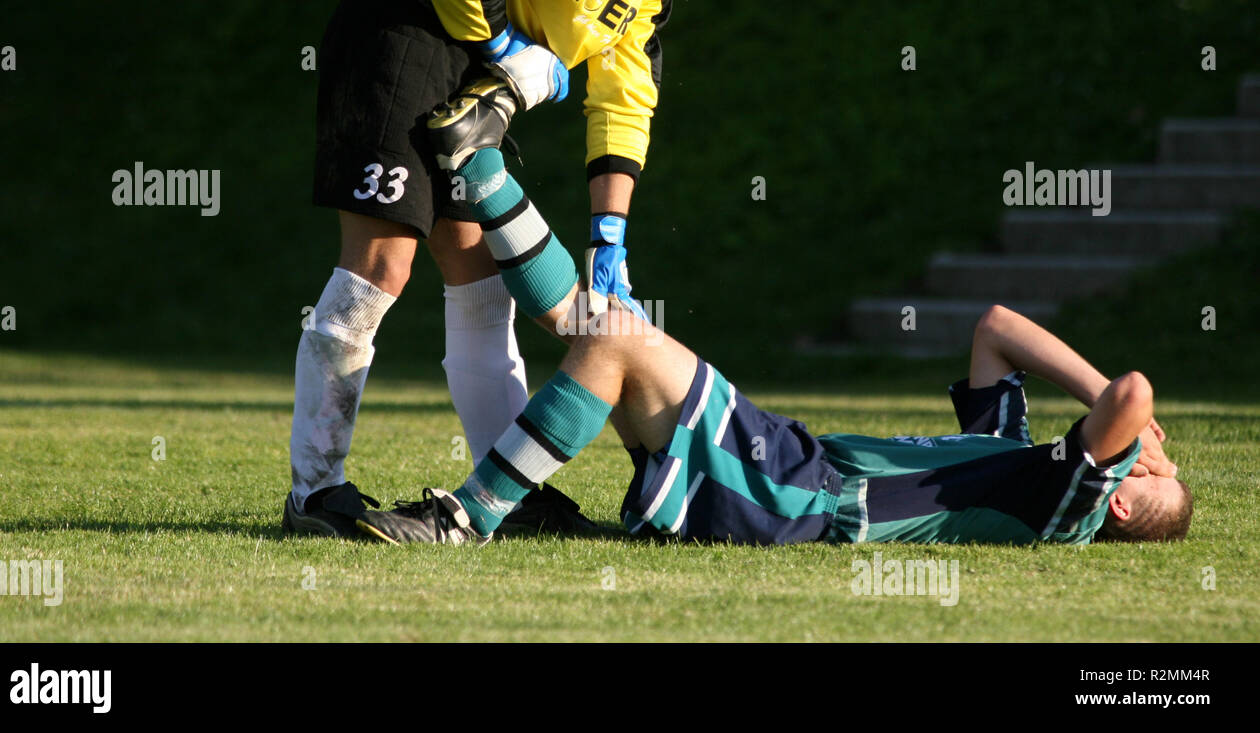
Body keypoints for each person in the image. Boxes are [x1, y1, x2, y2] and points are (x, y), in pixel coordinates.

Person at [348, 131, 1192, 546]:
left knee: (608, 339)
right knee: (601, 329)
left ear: (1118, 494)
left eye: (1158, 470)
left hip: (804, 501)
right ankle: (477, 164)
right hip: (792, 465)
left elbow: (1131, 393)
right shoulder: (1007, 460)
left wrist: (1139, 434)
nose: (1161, 454)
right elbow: (996, 329)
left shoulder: (1063, 506)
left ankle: (469, 519)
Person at [283, 0, 671, 538]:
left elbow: (622, 98)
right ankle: (314, 491)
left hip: (474, 72)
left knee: (483, 279)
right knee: (380, 267)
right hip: (405, 30)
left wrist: (610, 235)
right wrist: (506, 46)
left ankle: (507, 494)